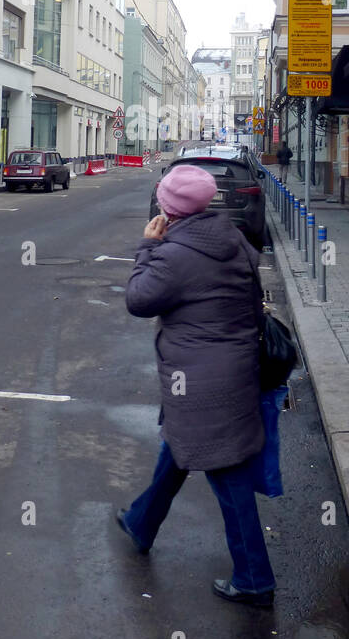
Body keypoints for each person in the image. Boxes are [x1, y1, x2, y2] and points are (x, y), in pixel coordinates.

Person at [116, 163, 276, 606]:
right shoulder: (233, 239)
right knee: (180, 447)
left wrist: (147, 248)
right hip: (235, 369)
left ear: (168, 209)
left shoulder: (173, 254)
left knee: (229, 478)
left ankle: (254, 578)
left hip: (201, 381)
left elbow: (138, 301)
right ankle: (140, 522)